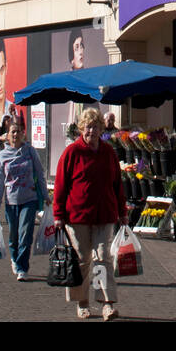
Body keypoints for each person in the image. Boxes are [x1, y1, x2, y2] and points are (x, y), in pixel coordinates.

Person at [53, 108, 126, 321]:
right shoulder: (72, 152)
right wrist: (58, 215)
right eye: (87, 127)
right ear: (81, 129)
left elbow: (117, 185)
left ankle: (106, 303)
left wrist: (122, 212)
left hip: (105, 214)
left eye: (95, 127)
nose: (91, 131)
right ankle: (82, 301)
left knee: (103, 258)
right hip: (77, 217)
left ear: (101, 129)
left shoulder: (108, 153)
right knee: (83, 260)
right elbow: (60, 186)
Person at [0, 122, 47, 281]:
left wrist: (46, 195)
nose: (15, 135)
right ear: (8, 135)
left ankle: (22, 267)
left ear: (23, 133)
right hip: (11, 201)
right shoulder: (2, 156)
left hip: (29, 199)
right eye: (12, 132)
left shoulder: (30, 151)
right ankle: (14, 258)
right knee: (13, 235)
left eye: (18, 132)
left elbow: (40, 173)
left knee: (25, 234)